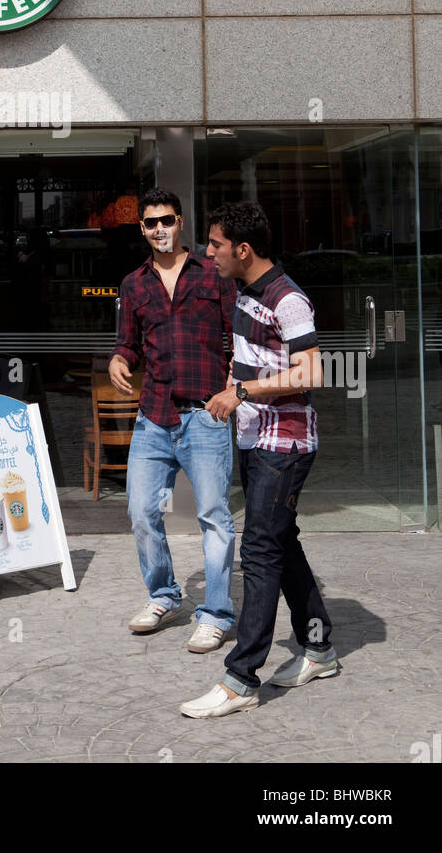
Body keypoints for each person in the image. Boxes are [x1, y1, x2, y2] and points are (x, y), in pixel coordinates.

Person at [180, 201, 338, 719]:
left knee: (261, 552)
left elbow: (310, 373)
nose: (209, 252)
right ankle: (319, 647)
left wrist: (243, 391)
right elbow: (251, 358)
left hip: (284, 445)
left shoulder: (288, 299)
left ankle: (241, 677)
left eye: (217, 245)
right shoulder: (245, 291)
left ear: (243, 249)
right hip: (255, 441)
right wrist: (231, 388)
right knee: (281, 542)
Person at [109, 187, 238, 653]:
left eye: (166, 220)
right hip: (154, 417)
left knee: (214, 517)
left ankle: (217, 614)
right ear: (142, 230)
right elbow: (129, 342)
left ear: (180, 222)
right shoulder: (134, 284)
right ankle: (164, 596)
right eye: (150, 223)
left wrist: (231, 389)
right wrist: (118, 360)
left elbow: (236, 338)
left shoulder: (214, 274)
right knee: (141, 512)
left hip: (204, 414)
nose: (159, 229)